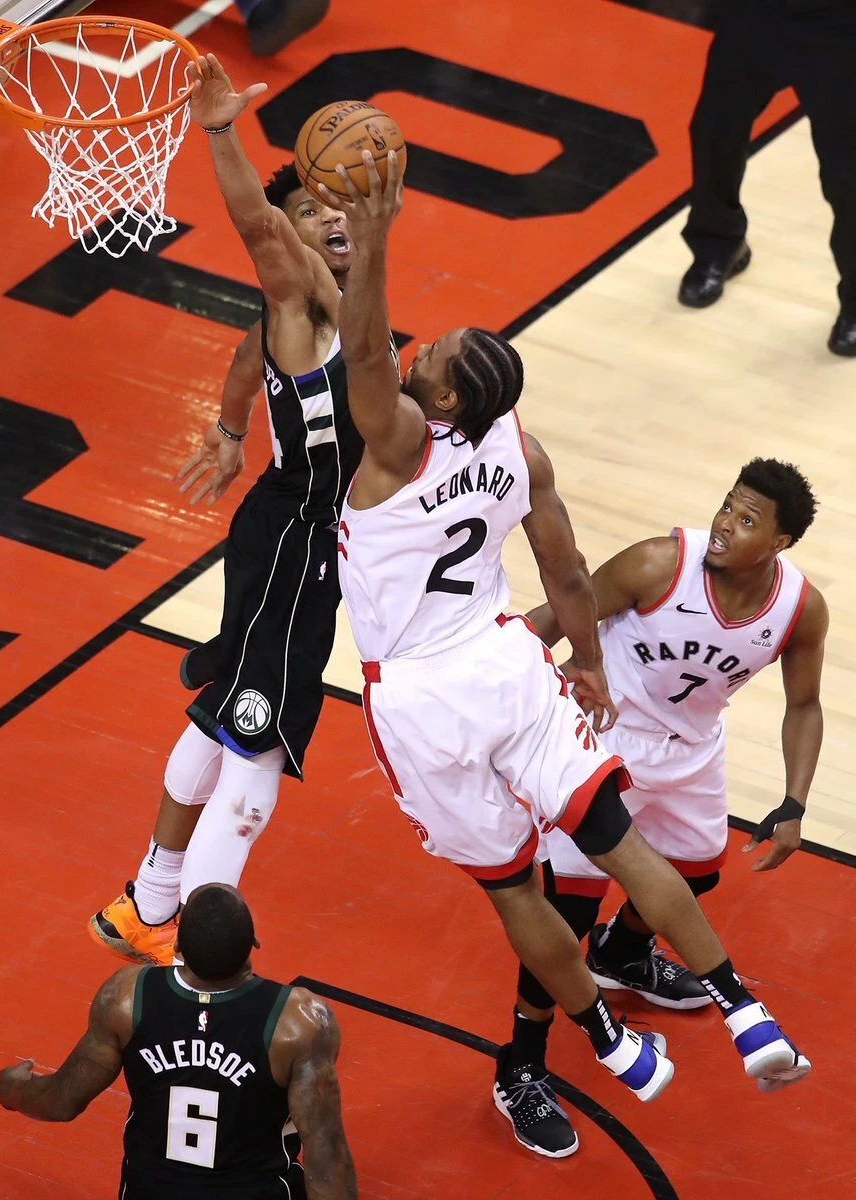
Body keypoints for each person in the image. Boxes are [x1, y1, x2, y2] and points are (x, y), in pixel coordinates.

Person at [319, 149, 811, 1161]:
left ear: (440, 400)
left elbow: (362, 349)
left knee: (515, 890)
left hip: (425, 694)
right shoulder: (519, 448)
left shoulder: (395, 444)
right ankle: (739, 1009)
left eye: (440, 352)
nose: (425, 345)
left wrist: (370, 237)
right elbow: (571, 570)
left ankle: (601, 1033)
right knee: (624, 842)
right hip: (513, 664)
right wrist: (585, 664)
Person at [89, 55, 396, 968]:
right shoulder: (299, 288)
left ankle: (147, 899)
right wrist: (220, 131)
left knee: (222, 713)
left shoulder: (331, 304)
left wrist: (230, 429)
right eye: (309, 210)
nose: (326, 216)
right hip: (298, 534)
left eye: (334, 200)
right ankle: (195, 957)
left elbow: (241, 349)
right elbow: (255, 225)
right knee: (257, 748)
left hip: (290, 529)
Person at [496, 457, 825, 1155]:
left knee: (696, 875)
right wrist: (499, 690)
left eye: (745, 519)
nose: (723, 525)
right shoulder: (656, 564)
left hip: (691, 749)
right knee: (568, 910)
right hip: (601, 732)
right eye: (726, 506)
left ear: (779, 543)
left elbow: (803, 704)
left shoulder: (799, 607)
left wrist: (794, 799)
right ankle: (520, 1066)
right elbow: (553, 615)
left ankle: (624, 953)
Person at [0, 885, 357, 1199]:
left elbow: (62, 1102)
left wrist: (14, 1090)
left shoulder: (128, 998)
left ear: (179, 944)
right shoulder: (296, 1022)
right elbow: (327, 1154)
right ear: (253, 943)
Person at [678, 0, 856, 355]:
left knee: (847, 173)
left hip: (839, 26)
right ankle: (719, 244)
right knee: (714, 131)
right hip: (758, 13)